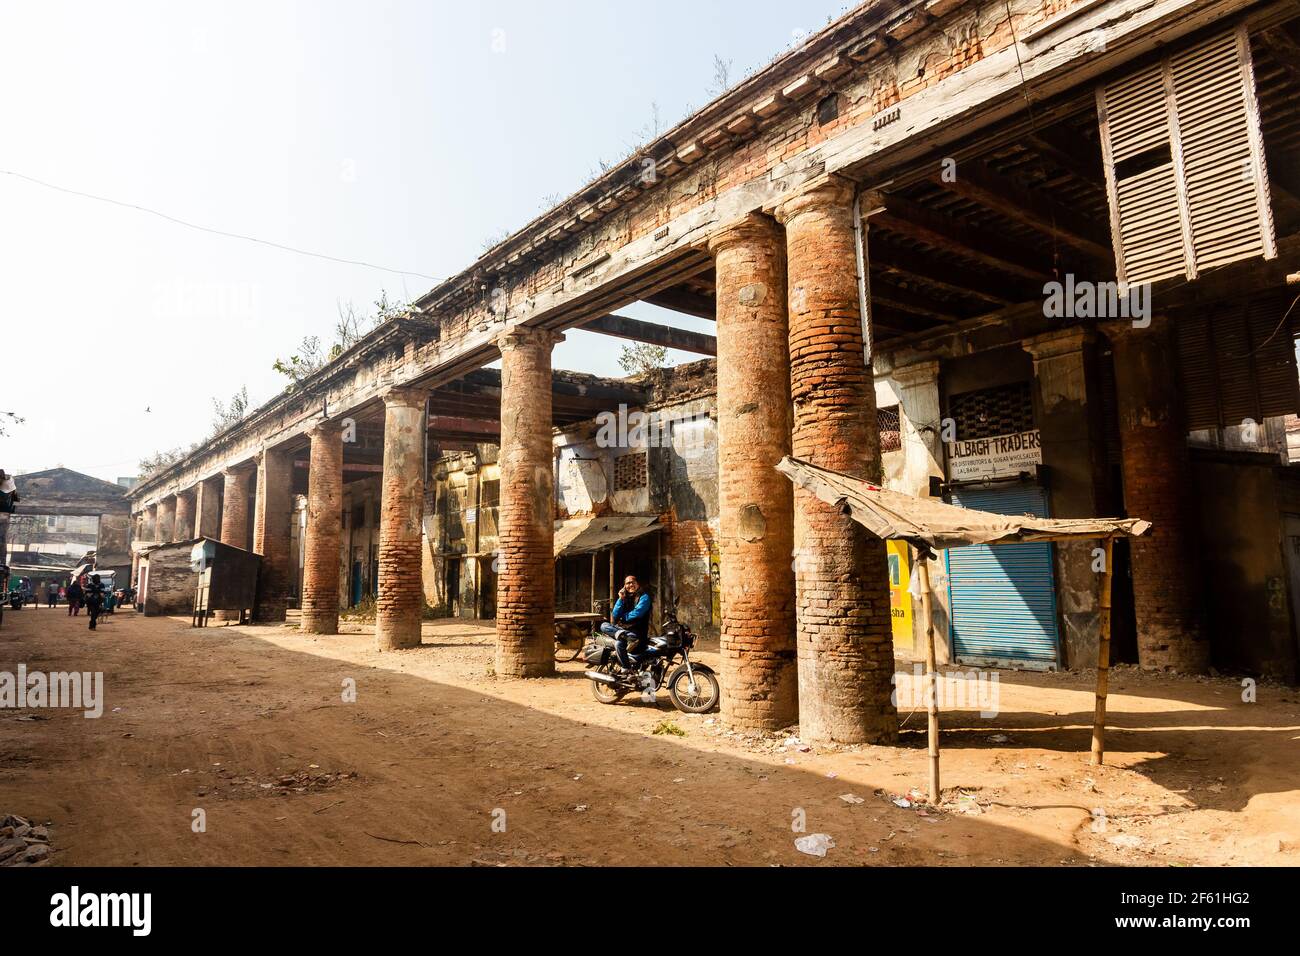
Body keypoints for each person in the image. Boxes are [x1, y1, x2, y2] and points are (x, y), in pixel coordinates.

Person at [600, 574, 653, 671]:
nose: (630, 585)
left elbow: (638, 613)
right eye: (628, 583)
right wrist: (620, 599)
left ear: (637, 584)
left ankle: (626, 667)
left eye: (633, 582)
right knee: (603, 626)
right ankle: (625, 637)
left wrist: (623, 617)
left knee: (619, 643)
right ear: (624, 586)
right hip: (624, 631)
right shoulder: (625, 597)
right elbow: (615, 615)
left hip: (637, 632)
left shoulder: (644, 597)